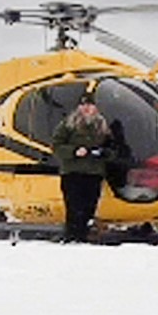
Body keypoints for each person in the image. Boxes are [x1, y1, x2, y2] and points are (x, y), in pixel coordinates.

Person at [49, 82, 111, 242]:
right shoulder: (68, 125)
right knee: (74, 207)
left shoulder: (103, 127)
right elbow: (56, 146)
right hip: (72, 172)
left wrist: (103, 153)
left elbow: (113, 149)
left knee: (90, 205)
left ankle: (84, 235)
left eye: (90, 105)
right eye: (84, 105)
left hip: (94, 173)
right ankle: (72, 235)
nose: (87, 109)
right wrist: (74, 151)